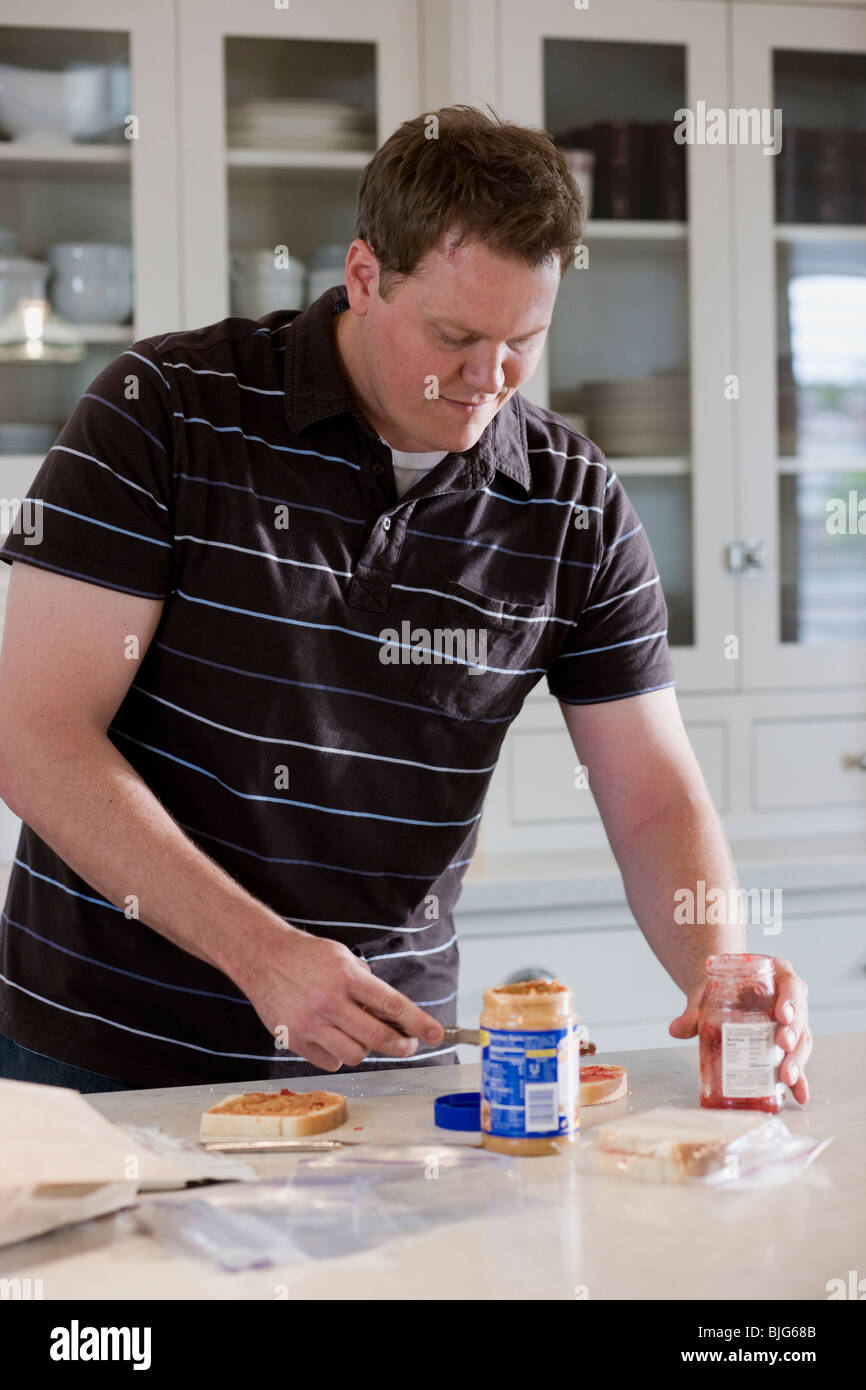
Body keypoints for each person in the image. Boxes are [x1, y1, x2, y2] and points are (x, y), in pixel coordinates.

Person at [0, 106, 810, 1097]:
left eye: (524, 340)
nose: (489, 379)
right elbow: (33, 735)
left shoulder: (569, 498)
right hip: (103, 1053)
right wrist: (261, 952)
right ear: (363, 277)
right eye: (455, 336)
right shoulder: (164, 410)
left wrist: (716, 964)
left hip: (387, 1065)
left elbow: (650, 794)